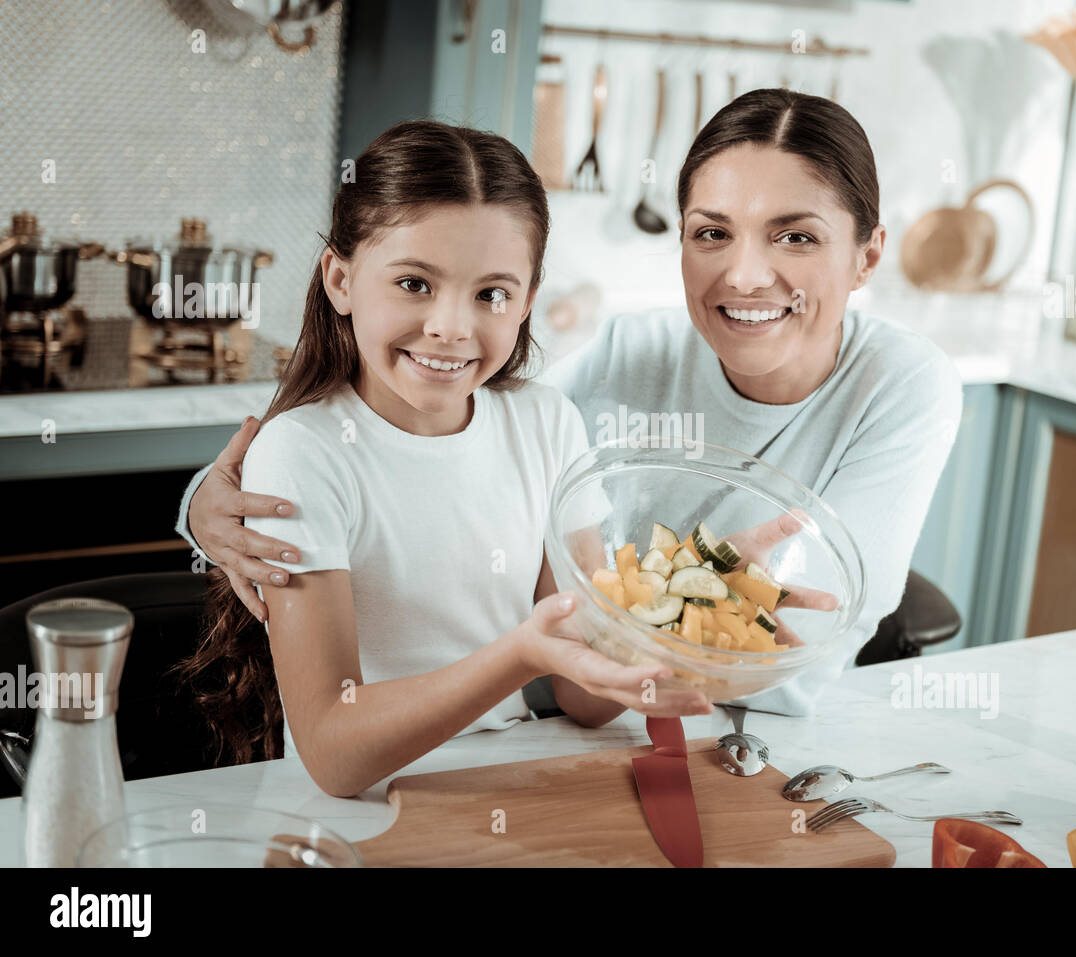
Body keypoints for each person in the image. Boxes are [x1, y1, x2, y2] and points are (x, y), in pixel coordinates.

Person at [178, 89, 963, 718]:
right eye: (712, 232)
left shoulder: (904, 383)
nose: (747, 275)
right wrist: (207, 511)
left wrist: (686, 599)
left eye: (795, 237)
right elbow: (452, 440)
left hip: (755, 724)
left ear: (867, 254)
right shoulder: (634, 353)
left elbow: (823, 612)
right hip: (590, 722)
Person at [173, 120, 712, 800]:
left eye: (491, 294)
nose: (451, 326)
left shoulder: (547, 423)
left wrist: (681, 613)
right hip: (365, 812)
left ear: (526, 304)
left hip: (510, 785)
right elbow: (334, 751)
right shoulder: (303, 451)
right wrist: (520, 655)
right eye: (415, 283)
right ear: (340, 279)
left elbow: (584, 693)